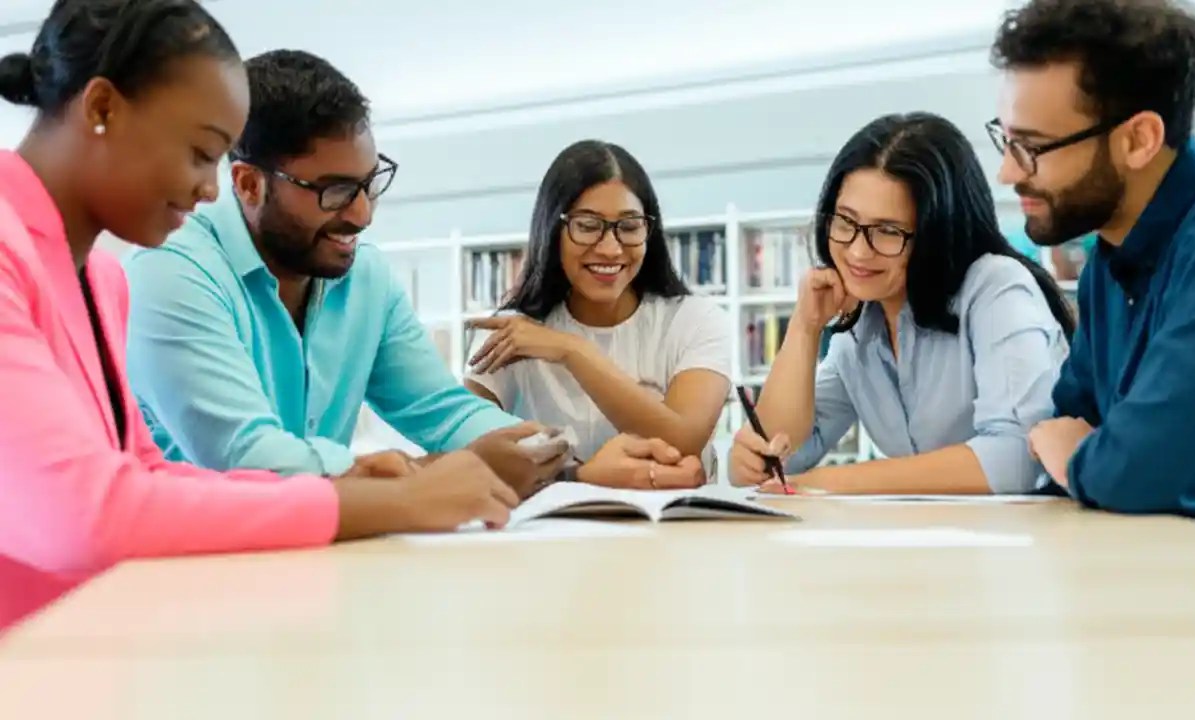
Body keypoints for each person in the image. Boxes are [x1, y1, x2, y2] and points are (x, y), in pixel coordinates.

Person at [0, 0, 517, 629]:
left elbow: (147, 473)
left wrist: (344, 479)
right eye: (199, 153)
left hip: (97, 646)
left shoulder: (102, 278)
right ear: (103, 107)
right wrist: (393, 504)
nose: (210, 189)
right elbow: (82, 518)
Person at [123, 49, 565, 498]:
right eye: (335, 191)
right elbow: (248, 460)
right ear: (249, 184)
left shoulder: (365, 276)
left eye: (369, 184)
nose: (362, 214)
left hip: (324, 547)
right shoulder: (170, 271)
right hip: (187, 560)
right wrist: (435, 472)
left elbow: (443, 409)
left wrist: (551, 451)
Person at [989, 0, 1195, 529]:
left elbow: (1143, 471)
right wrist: (1091, 456)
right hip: (1167, 587)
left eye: (1031, 147)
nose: (1008, 172)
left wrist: (1087, 457)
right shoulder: (1107, 262)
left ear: (1138, 140)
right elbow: (1061, 432)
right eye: (1007, 140)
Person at [728, 112, 1075, 495]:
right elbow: (783, 456)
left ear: (937, 233)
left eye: (888, 232)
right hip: (934, 542)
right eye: (845, 222)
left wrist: (829, 483)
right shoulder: (862, 325)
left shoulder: (995, 288)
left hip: (1035, 542)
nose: (858, 251)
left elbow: (1015, 459)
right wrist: (804, 327)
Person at [464, 140, 730, 489]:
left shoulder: (697, 318)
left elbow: (682, 441)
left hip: (673, 534)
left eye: (630, 226)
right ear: (552, 229)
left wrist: (573, 351)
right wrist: (579, 476)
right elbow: (466, 455)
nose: (610, 248)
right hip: (549, 534)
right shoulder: (511, 332)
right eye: (587, 226)